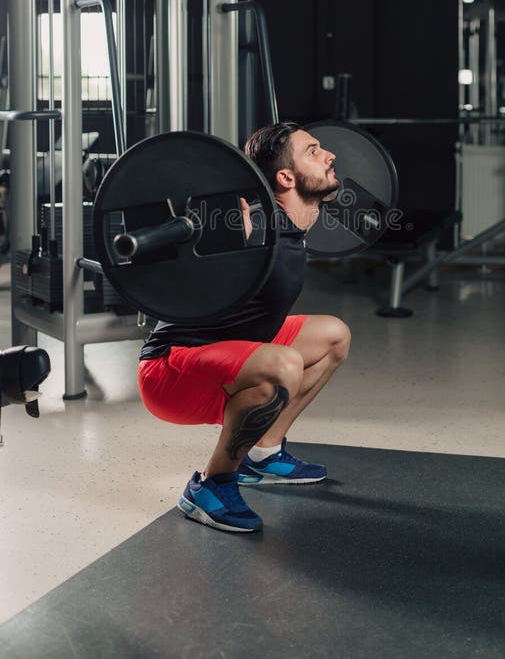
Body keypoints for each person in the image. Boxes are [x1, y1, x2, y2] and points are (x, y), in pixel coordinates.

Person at [137, 121, 351, 533]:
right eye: (313, 152)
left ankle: (264, 455)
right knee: (283, 363)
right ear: (286, 178)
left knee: (333, 336)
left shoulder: (296, 222)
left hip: (228, 347)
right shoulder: (248, 225)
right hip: (170, 369)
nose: (329, 156)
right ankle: (212, 485)